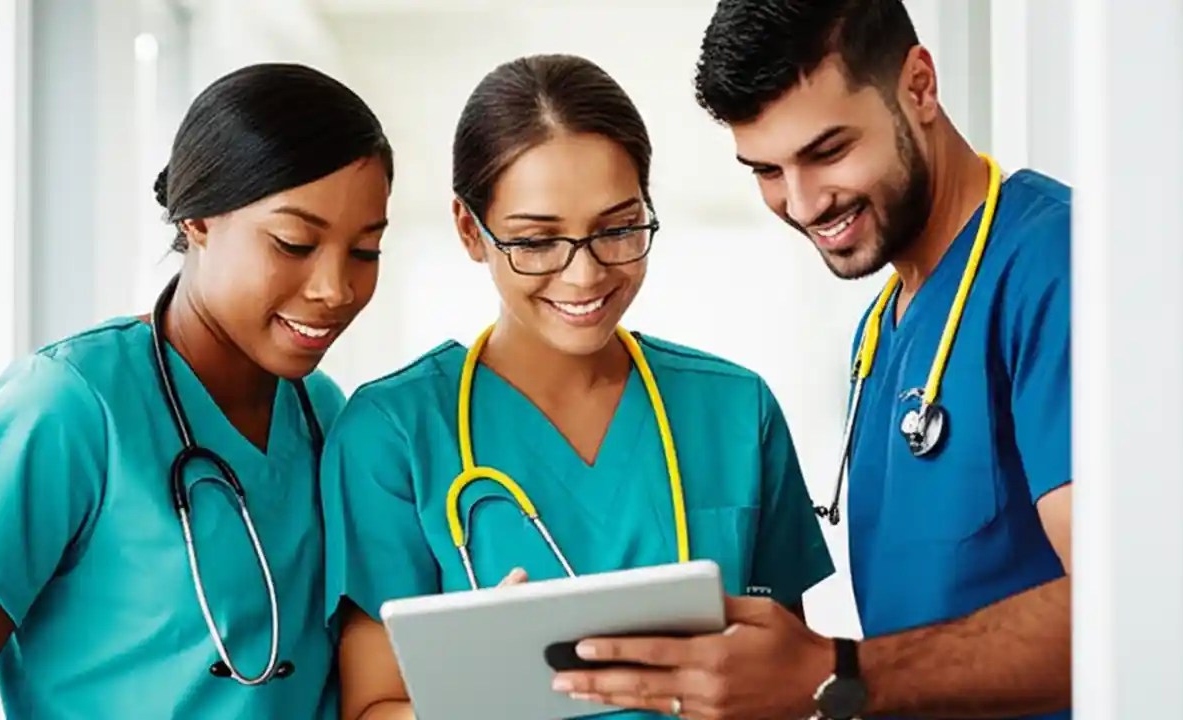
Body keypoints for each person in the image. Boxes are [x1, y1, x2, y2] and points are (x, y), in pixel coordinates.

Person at [549, 2, 1072, 719]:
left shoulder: (1054, 264)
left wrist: (837, 670)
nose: (802, 203)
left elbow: (1131, 604)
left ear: (919, 85)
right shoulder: (879, 332)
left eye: (827, 151)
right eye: (766, 169)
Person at [324, 53, 835, 720]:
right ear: (468, 231)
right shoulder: (394, 433)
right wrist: (480, 695)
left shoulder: (737, 410)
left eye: (618, 229)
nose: (585, 276)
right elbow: (372, 708)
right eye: (536, 242)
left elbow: (788, 686)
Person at [0, 63, 393, 719]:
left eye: (365, 251)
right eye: (294, 243)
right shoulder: (67, 408)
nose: (335, 289)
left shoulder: (324, 416)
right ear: (197, 220)